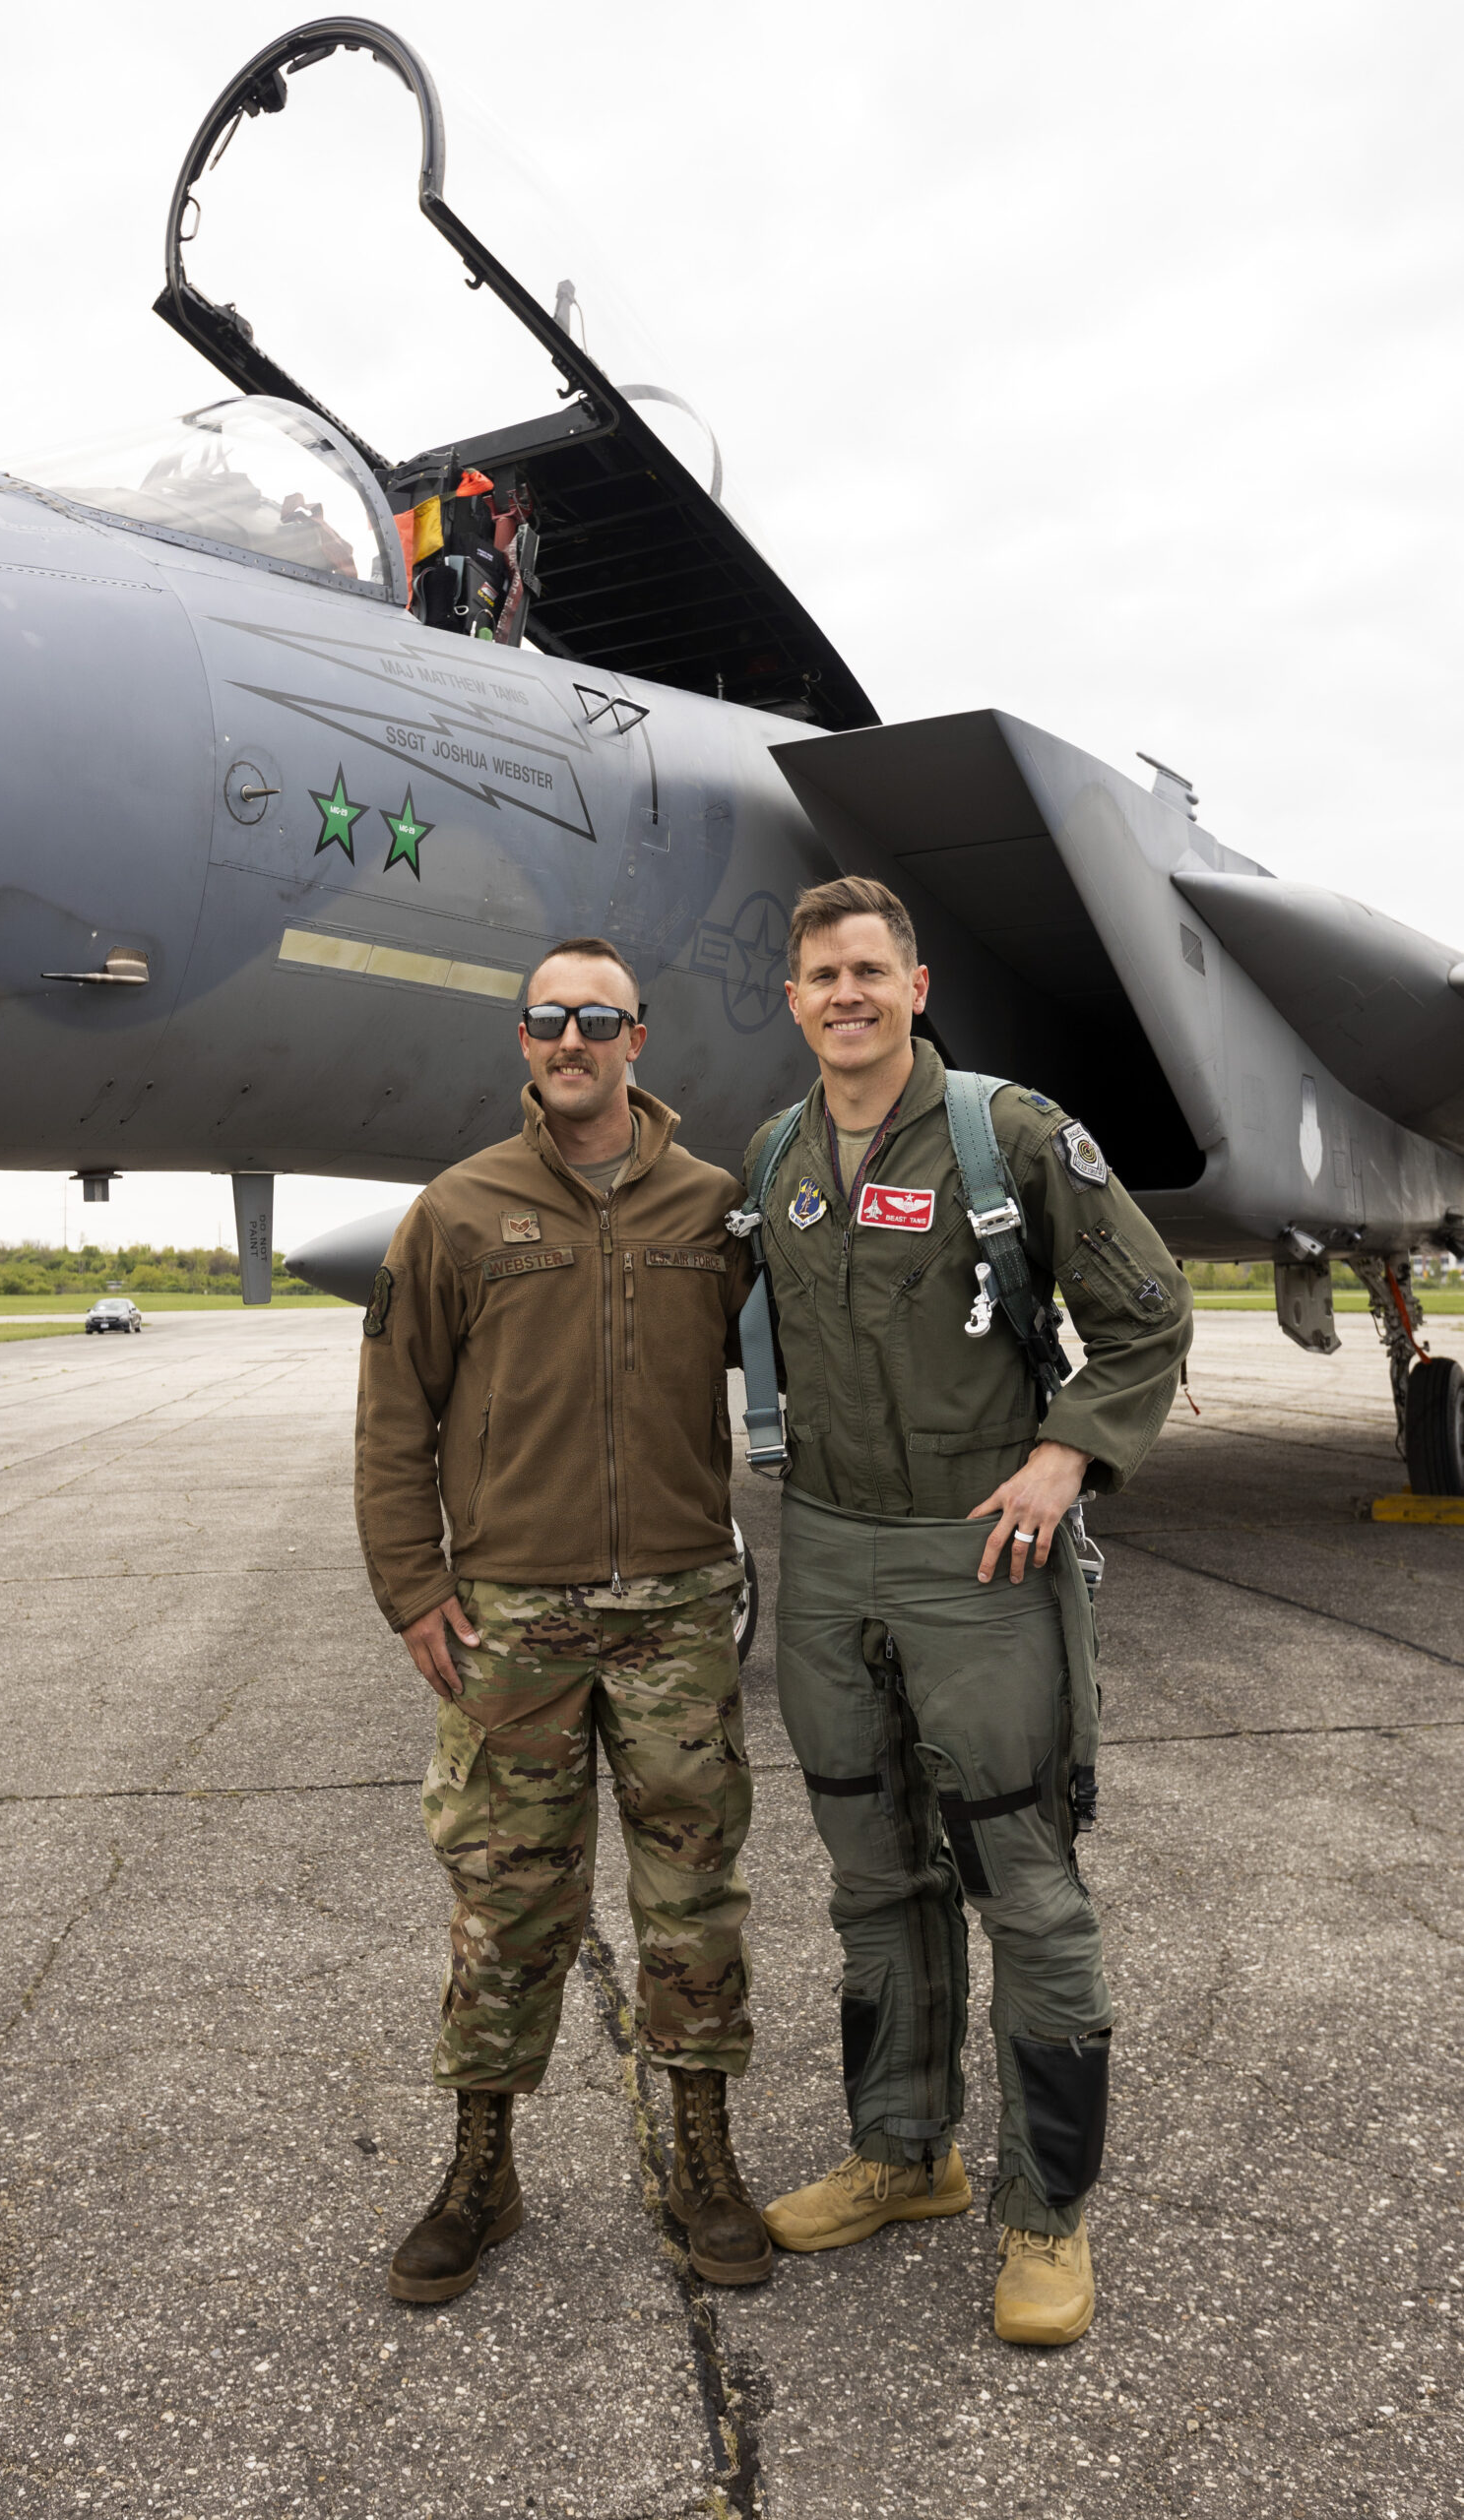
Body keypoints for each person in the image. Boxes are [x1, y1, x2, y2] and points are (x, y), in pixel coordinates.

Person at [744, 876, 1191, 2346]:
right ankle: (901, 2154)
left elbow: (1148, 1308)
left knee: (1032, 1894)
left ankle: (1048, 2220)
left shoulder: (1008, 1135)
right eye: (822, 975)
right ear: (796, 997)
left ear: (916, 988)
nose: (846, 994)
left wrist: (1066, 1455)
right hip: (828, 1558)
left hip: (979, 1563)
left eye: (871, 970)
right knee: (873, 1884)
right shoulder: (777, 1153)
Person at [355, 935, 772, 2304]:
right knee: (505, 1905)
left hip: (678, 1611)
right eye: (549, 1018)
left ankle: (703, 2159)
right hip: (512, 1620)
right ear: (522, 1040)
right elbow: (393, 1411)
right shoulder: (459, 1211)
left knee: (692, 1899)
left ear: (639, 1037)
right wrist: (415, 1584)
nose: (572, 1038)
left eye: (599, 1017)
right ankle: (484, 2168)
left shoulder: (714, 1207)